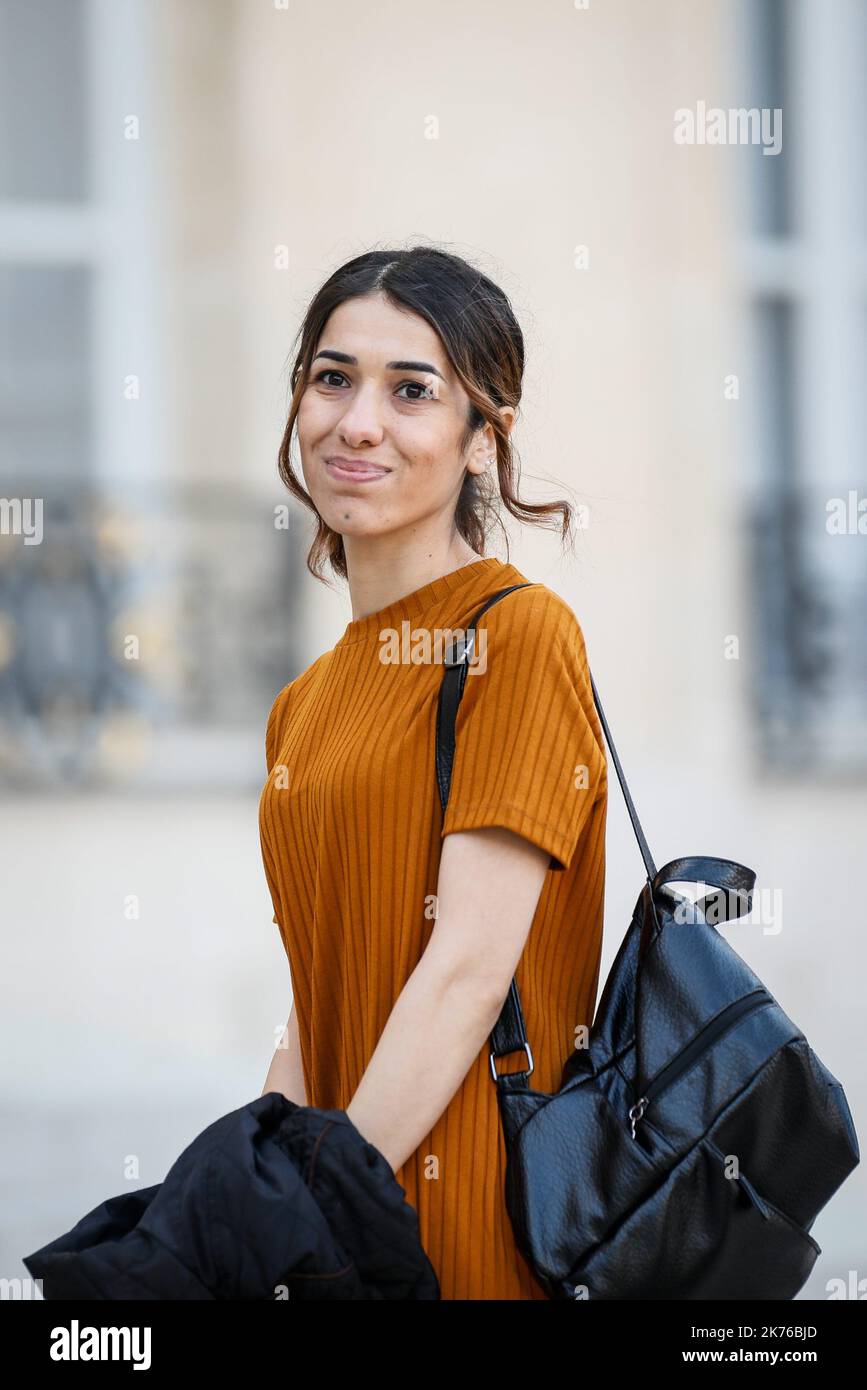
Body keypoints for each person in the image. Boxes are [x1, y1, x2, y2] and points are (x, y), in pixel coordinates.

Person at [259, 246, 608, 1300]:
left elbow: (465, 972)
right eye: (333, 377)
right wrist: (250, 1197)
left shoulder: (519, 634)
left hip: (465, 1236)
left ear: (478, 438)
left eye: (412, 391)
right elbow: (315, 999)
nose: (358, 423)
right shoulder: (303, 703)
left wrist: (321, 1210)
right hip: (336, 1240)